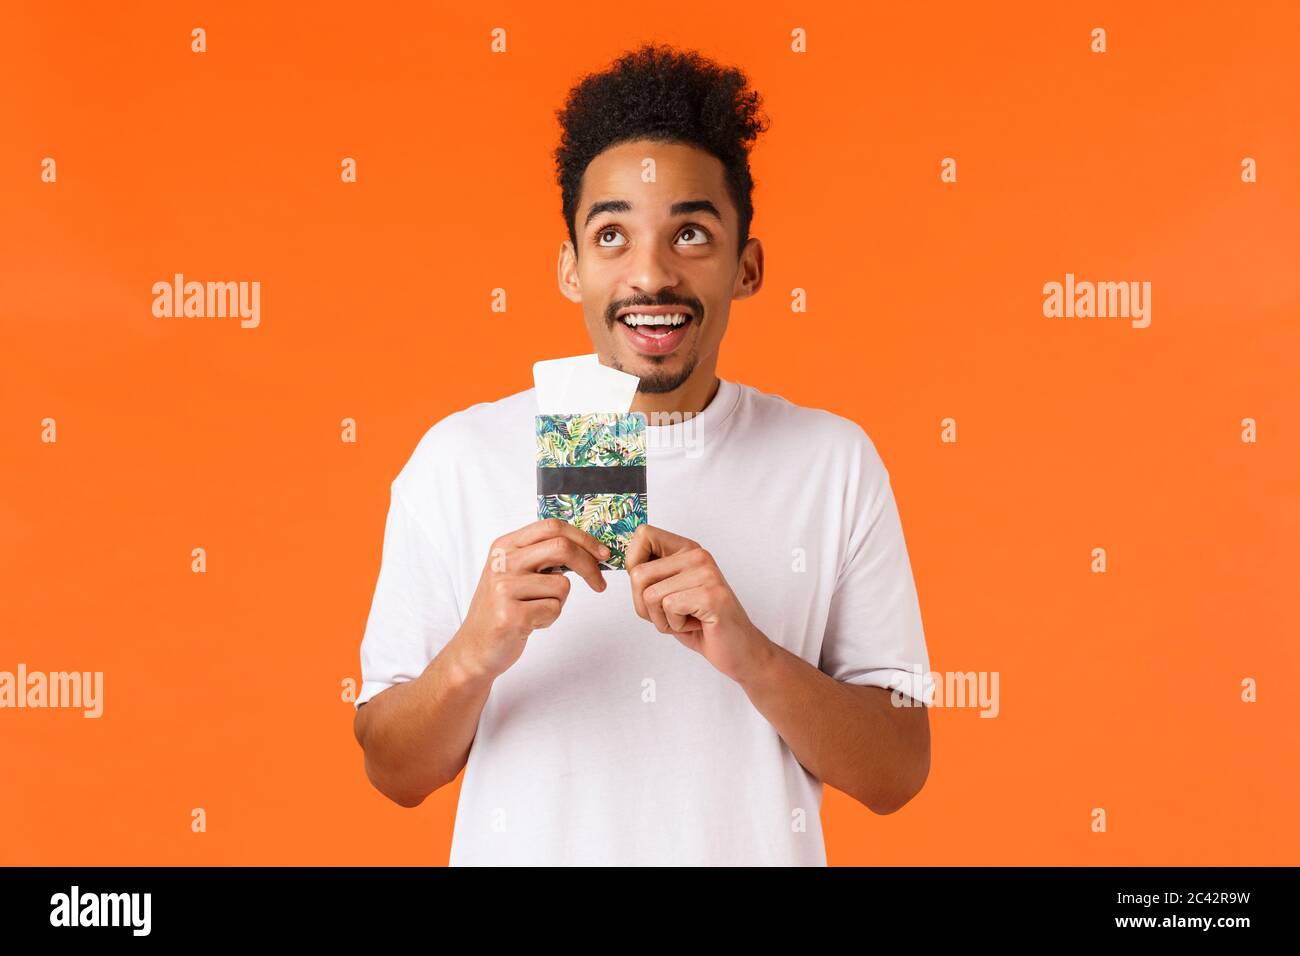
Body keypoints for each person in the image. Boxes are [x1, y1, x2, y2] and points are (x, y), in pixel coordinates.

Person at [352, 41, 933, 865]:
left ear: (749, 265)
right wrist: (474, 653)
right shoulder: (455, 460)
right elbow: (393, 769)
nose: (650, 275)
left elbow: (899, 770)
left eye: (690, 232)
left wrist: (754, 655)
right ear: (571, 268)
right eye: (613, 234)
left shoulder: (831, 462)